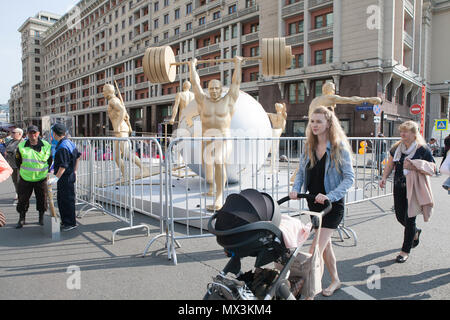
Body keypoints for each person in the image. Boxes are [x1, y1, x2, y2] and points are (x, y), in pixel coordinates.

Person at [290, 106, 355, 298]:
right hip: (314, 204)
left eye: (319, 121)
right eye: (312, 121)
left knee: (315, 249)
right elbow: (301, 173)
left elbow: (349, 178)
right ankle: (335, 279)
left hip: (331, 206)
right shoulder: (308, 146)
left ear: (328, 123)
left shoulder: (338, 147)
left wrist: (331, 196)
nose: (314, 125)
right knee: (325, 246)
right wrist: (296, 189)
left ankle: (309, 292)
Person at [187, 56, 243, 211]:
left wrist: (238, 64)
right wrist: (192, 66)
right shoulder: (202, 101)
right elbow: (195, 83)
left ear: (221, 89)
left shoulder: (229, 100)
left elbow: (236, 83)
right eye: (211, 88)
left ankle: (219, 198)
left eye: (217, 88)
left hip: (223, 139)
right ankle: (212, 188)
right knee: (208, 167)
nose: (214, 91)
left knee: (219, 161)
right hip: (206, 139)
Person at [379, 121, 435, 263]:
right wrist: (384, 177)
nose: (403, 134)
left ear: (414, 133)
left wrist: (416, 165)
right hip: (398, 185)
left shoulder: (422, 149)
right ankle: (415, 232)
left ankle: (405, 251)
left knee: (410, 218)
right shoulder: (397, 148)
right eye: (402, 131)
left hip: (414, 188)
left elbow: (433, 167)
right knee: (399, 216)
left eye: (406, 131)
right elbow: (390, 163)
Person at [15, 125, 53, 229]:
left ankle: (41, 218)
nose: (33, 135)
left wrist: (43, 172)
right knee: (22, 199)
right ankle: (22, 218)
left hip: (41, 178)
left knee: (42, 198)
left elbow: (49, 161)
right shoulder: (21, 146)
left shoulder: (46, 145)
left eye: (34, 132)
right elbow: (18, 162)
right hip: (25, 178)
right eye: (30, 133)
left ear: (38, 133)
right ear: (27, 134)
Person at [48, 123, 81, 232]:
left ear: (55, 133)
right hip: (69, 175)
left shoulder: (63, 147)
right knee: (67, 199)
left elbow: (63, 165)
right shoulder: (69, 143)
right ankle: (68, 221)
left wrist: (56, 178)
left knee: (65, 200)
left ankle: (69, 223)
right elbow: (78, 156)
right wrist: (75, 170)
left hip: (65, 177)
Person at [308, 82, 382, 117]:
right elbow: (350, 100)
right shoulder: (330, 97)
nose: (333, 92)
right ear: (328, 89)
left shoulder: (315, 100)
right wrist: (368, 99)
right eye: (333, 90)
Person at [5, 128, 24, 202]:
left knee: (20, 180)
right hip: (12, 164)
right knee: (14, 180)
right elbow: (7, 150)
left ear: (19, 134)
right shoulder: (10, 142)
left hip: (21, 165)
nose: (11, 134)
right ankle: (17, 192)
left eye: (13, 132)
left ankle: (21, 194)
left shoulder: (23, 142)